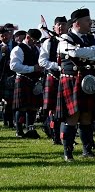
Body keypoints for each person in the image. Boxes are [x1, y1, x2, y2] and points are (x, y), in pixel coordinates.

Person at [57, 8, 95, 161]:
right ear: (77, 23)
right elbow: (74, 53)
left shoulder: (93, 37)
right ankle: (68, 153)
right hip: (72, 80)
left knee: (87, 115)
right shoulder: (65, 38)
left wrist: (86, 51)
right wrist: (94, 51)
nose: (90, 23)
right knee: (72, 116)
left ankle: (87, 150)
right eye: (87, 20)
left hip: (89, 80)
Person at [9, 29, 44, 138]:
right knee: (22, 107)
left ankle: (30, 129)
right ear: (27, 37)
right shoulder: (18, 49)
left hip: (34, 81)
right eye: (34, 40)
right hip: (23, 79)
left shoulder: (36, 48)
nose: (36, 43)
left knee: (33, 106)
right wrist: (32, 68)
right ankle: (19, 131)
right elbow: (14, 66)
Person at [39, 16, 67, 145]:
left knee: (67, 108)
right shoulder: (48, 42)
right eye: (58, 25)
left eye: (63, 24)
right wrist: (57, 66)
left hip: (68, 77)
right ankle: (55, 136)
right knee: (54, 109)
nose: (61, 27)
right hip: (54, 77)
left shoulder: (71, 40)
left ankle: (66, 135)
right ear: (54, 27)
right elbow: (42, 61)